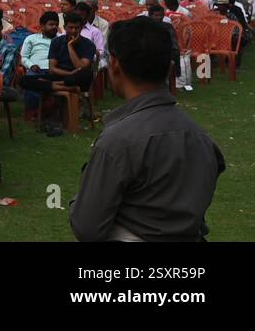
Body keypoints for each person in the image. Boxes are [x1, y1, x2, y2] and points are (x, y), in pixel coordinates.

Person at [69, 18, 224, 241]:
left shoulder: (117, 141)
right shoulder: (200, 137)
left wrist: (80, 199)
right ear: (169, 67)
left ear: (115, 65)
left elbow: (87, 228)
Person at [19, 11, 96, 129]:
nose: (74, 31)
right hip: (62, 75)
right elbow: (52, 68)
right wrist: (69, 74)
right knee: (24, 80)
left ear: (81, 28)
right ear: (65, 28)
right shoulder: (57, 42)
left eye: (77, 28)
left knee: (85, 74)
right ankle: (67, 87)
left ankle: (59, 85)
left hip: (78, 78)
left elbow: (80, 67)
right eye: (71, 28)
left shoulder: (88, 44)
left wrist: (70, 47)